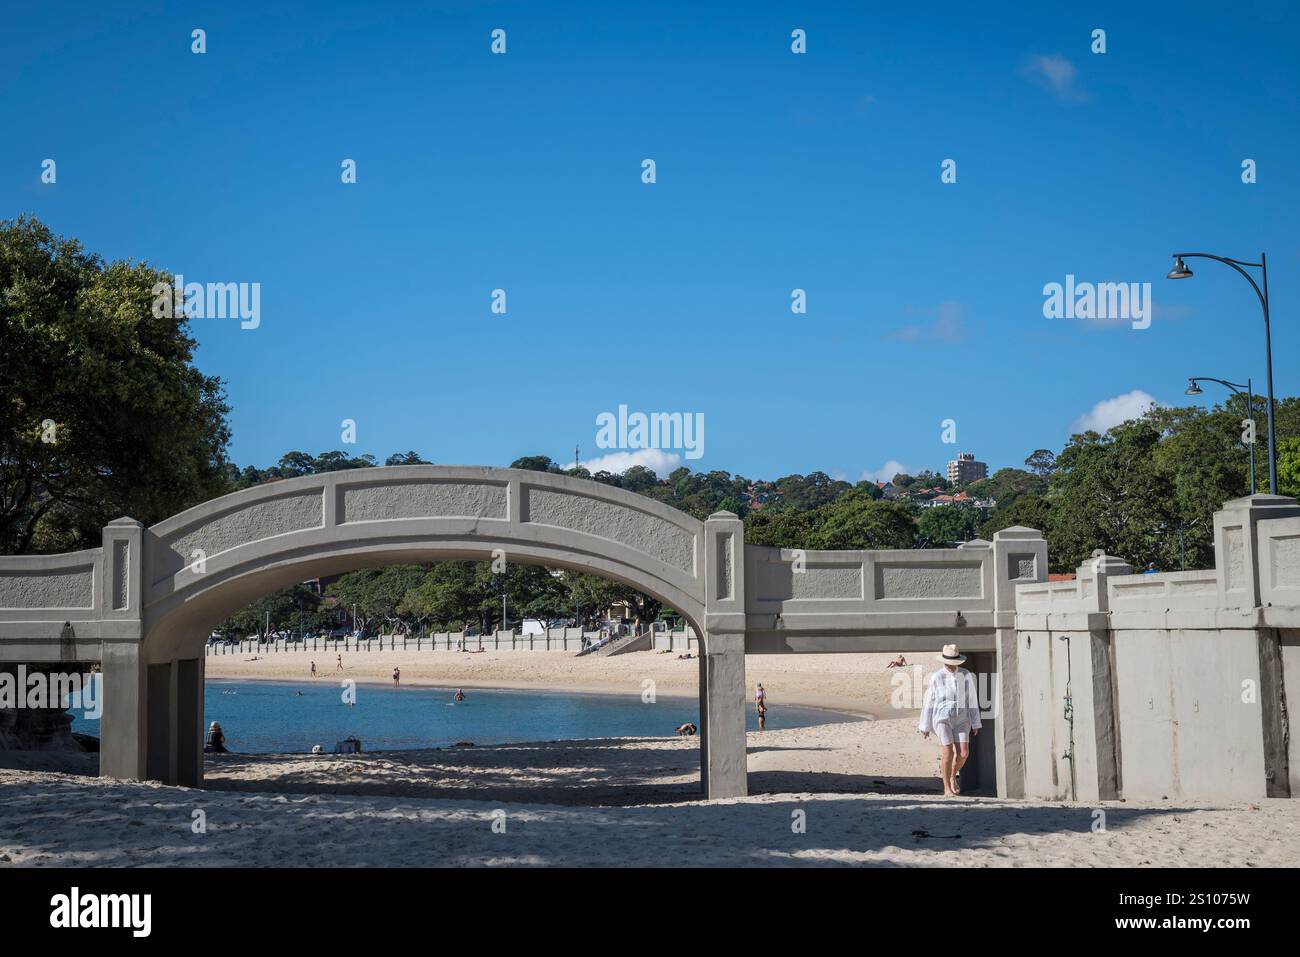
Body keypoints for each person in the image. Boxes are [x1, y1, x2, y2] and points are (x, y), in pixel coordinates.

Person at [918, 644, 981, 797]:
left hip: (962, 718)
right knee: (948, 752)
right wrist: (925, 725)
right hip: (942, 718)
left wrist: (975, 722)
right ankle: (946, 788)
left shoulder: (966, 675)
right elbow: (929, 701)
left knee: (964, 753)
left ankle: (953, 776)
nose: (951, 667)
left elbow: (971, 699)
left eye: (954, 664)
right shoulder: (937, 677)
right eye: (948, 664)